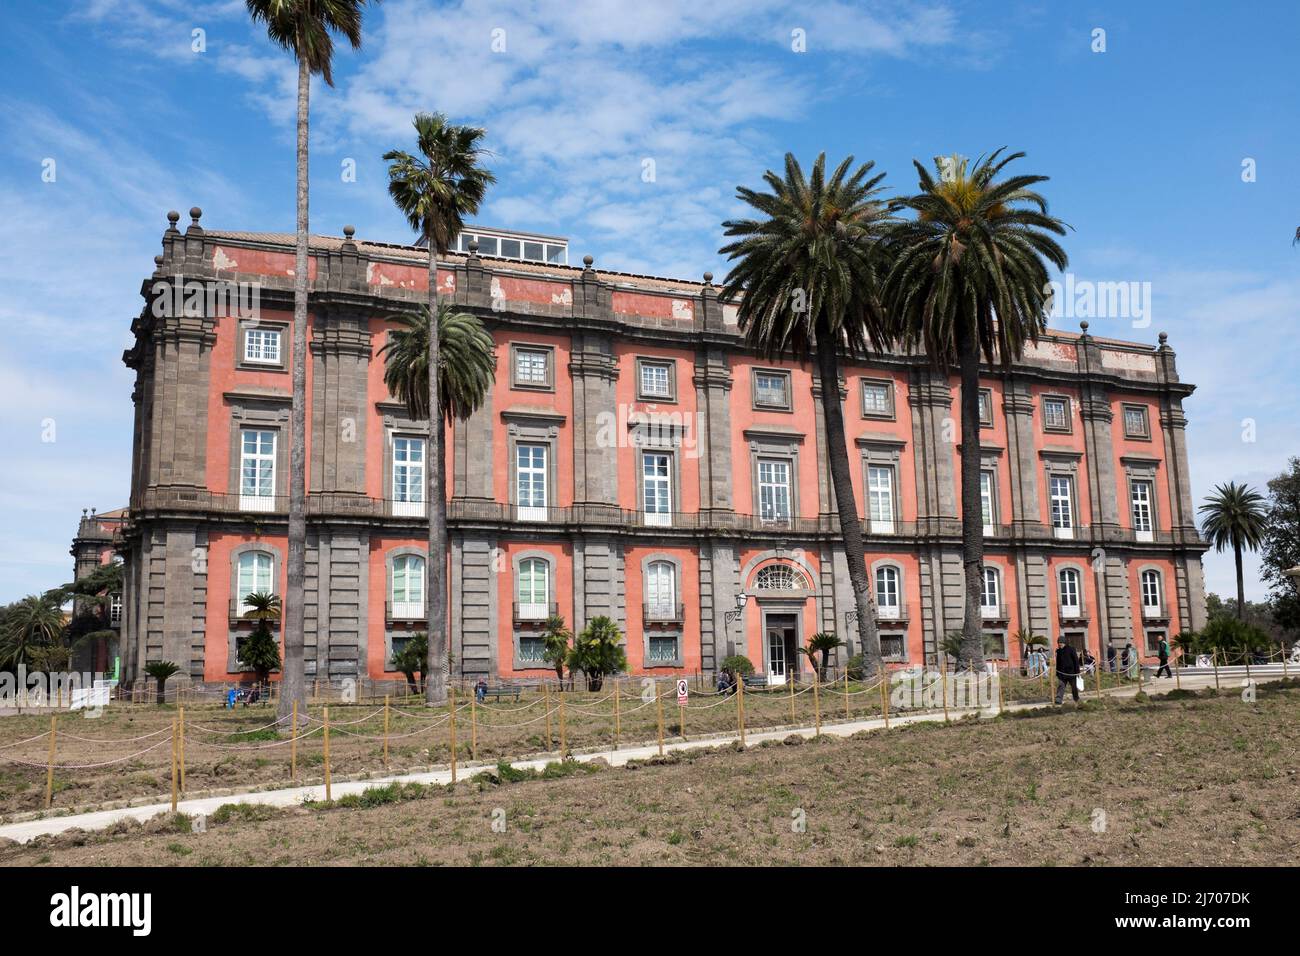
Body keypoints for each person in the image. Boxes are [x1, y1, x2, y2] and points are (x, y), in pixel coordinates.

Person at [1054, 640, 1081, 704]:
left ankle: (1076, 698)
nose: (1059, 644)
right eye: (1058, 643)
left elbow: (1076, 661)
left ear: (1064, 643)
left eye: (1061, 643)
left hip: (1071, 672)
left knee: (1074, 687)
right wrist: (1057, 673)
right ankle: (1058, 699)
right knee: (1061, 685)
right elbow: (1058, 663)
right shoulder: (1059, 651)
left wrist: (1077, 671)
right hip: (1062, 673)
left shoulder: (1071, 649)